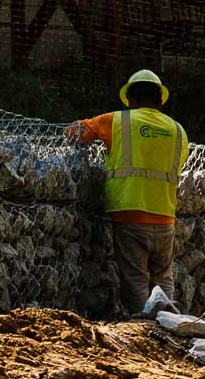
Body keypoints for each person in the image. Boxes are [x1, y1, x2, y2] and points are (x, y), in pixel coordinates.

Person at [65, 69, 190, 316]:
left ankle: (145, 331)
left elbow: (76, 133)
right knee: (163, 278)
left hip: (129, 213)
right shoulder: (178, 130)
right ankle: (171, 325)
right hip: (165, 215)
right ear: (161, 101)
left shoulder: (117, 121)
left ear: (130, 99)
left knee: (135, 281)